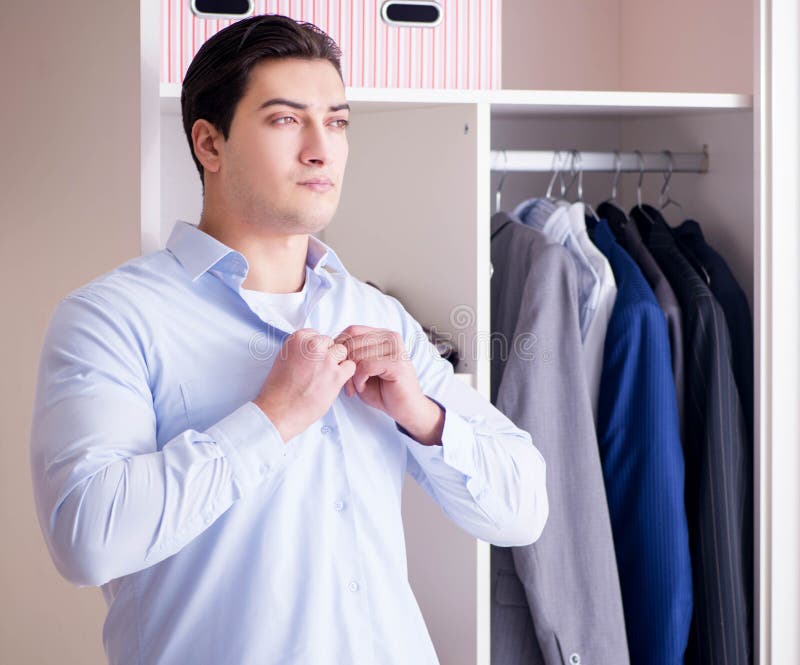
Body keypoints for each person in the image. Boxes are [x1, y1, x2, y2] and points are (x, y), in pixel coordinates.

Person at [29, 14, 548, 665]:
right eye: (284, 119)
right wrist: (271, 418)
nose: (320, 149)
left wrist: (424, 416)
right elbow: (87, 538)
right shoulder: (111, 319)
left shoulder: (377, 315)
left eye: (336, 122)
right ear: (209, 145)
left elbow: (523, 508)